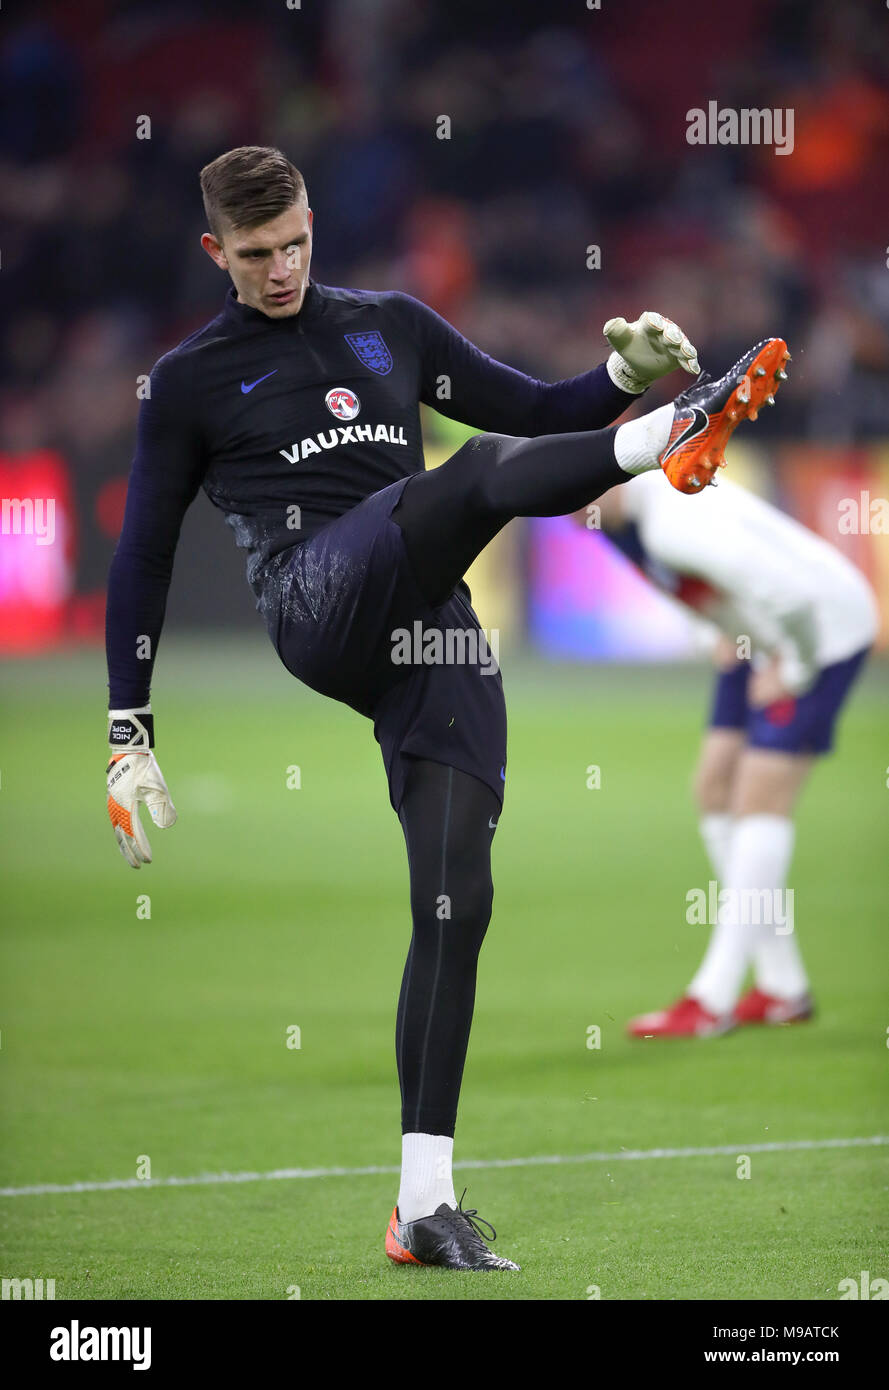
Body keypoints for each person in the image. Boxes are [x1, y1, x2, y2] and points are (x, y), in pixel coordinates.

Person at [105, 144, 787, 1268]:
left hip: (427, 630)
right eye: (256, 253)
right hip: (316, 601)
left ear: (315, 223)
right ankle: (678, 435)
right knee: (465, 478)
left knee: (452, 900)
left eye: (296, 245)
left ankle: (423, 1204)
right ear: (214, 251)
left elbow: (531, 415)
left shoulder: (391, 325)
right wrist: (129, 725)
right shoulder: (187, 380)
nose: (281, 270)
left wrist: (616, 378)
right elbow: (141, 552)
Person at [593, 471, 877, 1038]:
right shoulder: (611, 521)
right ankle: (782, 988)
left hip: (821, 631)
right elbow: (699, 592)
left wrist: (793, 669)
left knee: (758, 798)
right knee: (714, 788)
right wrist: (718, 634)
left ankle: (711, 999)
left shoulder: (672, 519)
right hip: (762, 635)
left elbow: (789, 593)